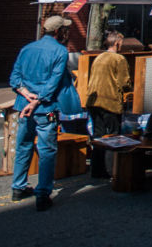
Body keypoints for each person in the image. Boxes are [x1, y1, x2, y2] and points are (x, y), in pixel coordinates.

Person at [10, 15, 72, 211]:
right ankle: (43, 193)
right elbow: (53, 83)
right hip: (45, 108)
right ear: (58, 32)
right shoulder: (60, 51)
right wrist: (36, 100)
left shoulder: (27, 49)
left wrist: (26, 94)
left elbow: (15, 78)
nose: (66, 32)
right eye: (64, 29)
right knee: (46, 151)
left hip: (24, 107)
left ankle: (18, 187)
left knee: (23, 146)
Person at [85, 31, 130, 178]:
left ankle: (97, 169)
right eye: (121, 44)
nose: (122, 46)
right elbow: (124, 82)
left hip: (93, 101)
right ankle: (114, 169)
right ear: (117, 43)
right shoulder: (119, 59)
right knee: (113, 136)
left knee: (98, 137)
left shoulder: (99, 57)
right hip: (110, 101)